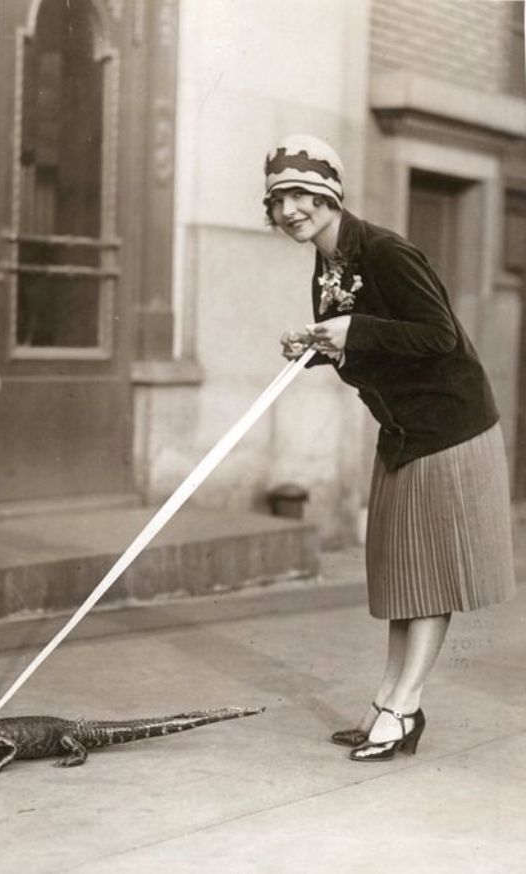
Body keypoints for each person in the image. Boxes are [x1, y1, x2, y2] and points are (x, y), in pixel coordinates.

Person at [264, 134, 516, 761]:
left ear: (328, 192)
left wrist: (354, 329)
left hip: (448, 428)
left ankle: (403, 708)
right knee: (406, 576)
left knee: (429, 576)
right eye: (277, 199)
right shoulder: (327, 264)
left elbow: (439, 336)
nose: (289, 208)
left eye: (300, 192)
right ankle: (388, 702)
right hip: (402, 432)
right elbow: (372, 346)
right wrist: (324, 349)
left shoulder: (384, 250)